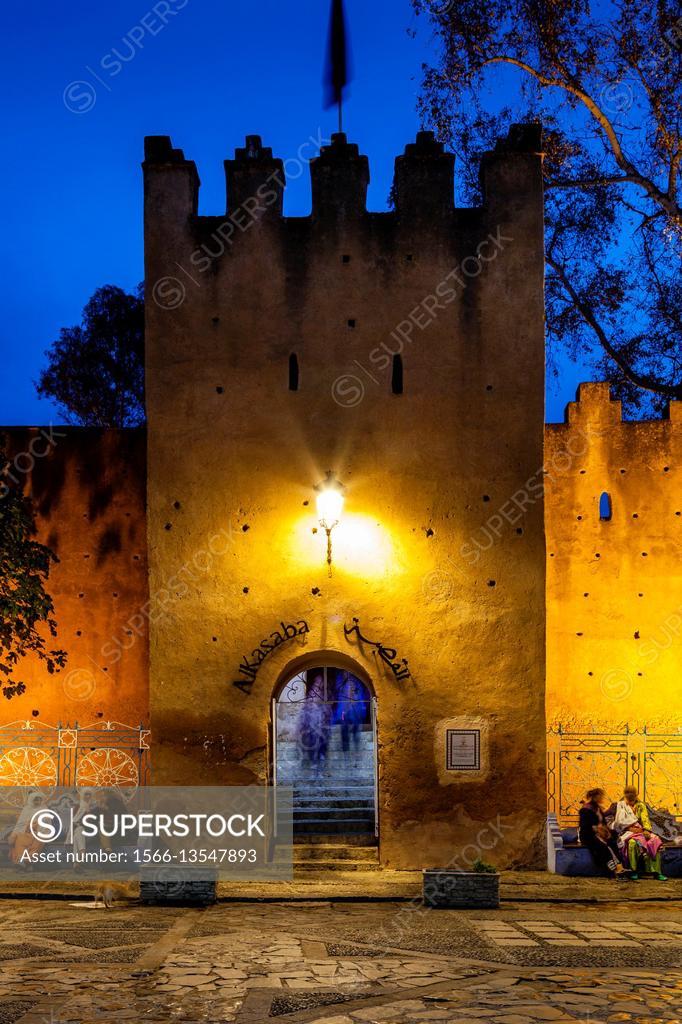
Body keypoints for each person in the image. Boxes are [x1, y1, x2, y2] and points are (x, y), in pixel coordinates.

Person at [613, 785, 667, 881]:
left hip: (641, 831)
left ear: (636, 795)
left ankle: (657, 872)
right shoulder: (621, 805)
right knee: (633, 843)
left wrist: (646, 830)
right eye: (628, 795)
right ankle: (634, 871)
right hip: (627, 833)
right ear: (625, 795)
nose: (630, 798)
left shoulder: (641, 805)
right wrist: (629, 828)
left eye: (632, 796)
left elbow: (645, 819)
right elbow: (618, 823)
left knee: (654, 841)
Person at [578, 787, 627, 878]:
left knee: (613, 841)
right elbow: (586, 826)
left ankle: (620, 866)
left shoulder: (598, 808)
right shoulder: (585, 809)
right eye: (600, 796)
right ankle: (614, 869)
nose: (602, 798)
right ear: (595, 797)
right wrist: (598, 830)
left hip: (600, 833)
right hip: (589, 835)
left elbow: (603, 823)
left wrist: (607, 832)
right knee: (603, 846)